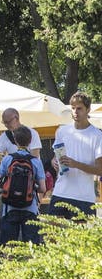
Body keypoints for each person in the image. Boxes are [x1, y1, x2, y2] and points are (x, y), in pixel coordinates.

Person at [49, 90, 102, 219]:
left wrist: (76, 164)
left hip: (83, 197)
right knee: (51, 237)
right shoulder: (62, 131)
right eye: (73, 108)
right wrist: (54, 162)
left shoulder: (97, 135)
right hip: (60, 192)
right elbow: (55, 157)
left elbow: (99, 170)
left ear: (88, 109)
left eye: (79, 108)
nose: (75, 112)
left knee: (79, 239)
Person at [0, 124, 46, 244]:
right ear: (30, 142)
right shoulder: (35, 161)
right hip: (30, 208)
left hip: (10, 207)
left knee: (8, 246)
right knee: (31, 248)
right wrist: (31, 187)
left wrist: (9, 186)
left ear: (15, 141)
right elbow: (43, 188)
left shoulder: (7, 159)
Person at [0, 108, 42, 175]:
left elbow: (35, 157)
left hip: (31, 174)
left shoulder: (32, 133)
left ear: (16, 118)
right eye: (4, 123)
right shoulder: (5, 136)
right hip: (14, 175)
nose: (6, 125)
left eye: (8, 122)